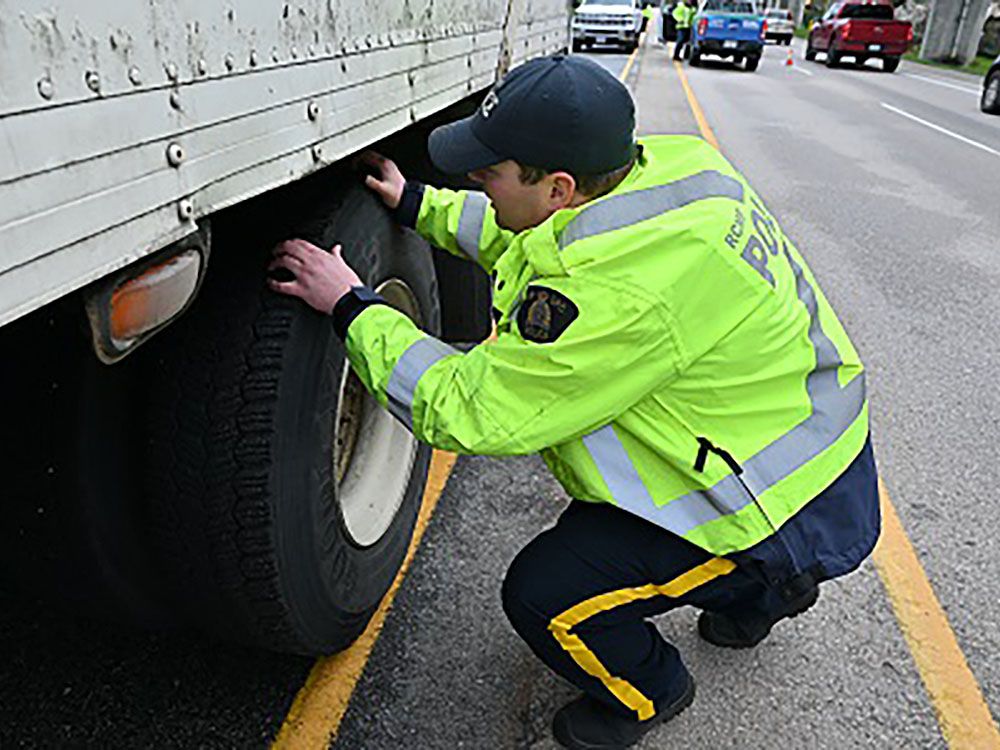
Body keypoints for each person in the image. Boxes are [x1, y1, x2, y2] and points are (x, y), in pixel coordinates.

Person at [268, 55, 880, 750]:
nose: (474, 177)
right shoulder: (669, 173)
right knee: (674, 554)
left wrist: (353, 308)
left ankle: (652, 687)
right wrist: (418, 205)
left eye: (489, 170)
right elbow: (525, 235)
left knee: (546, 596)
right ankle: (760, 593)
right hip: (813, 452)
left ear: (559, 187)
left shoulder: (618, 296)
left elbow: (470, 408)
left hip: (774, 512)